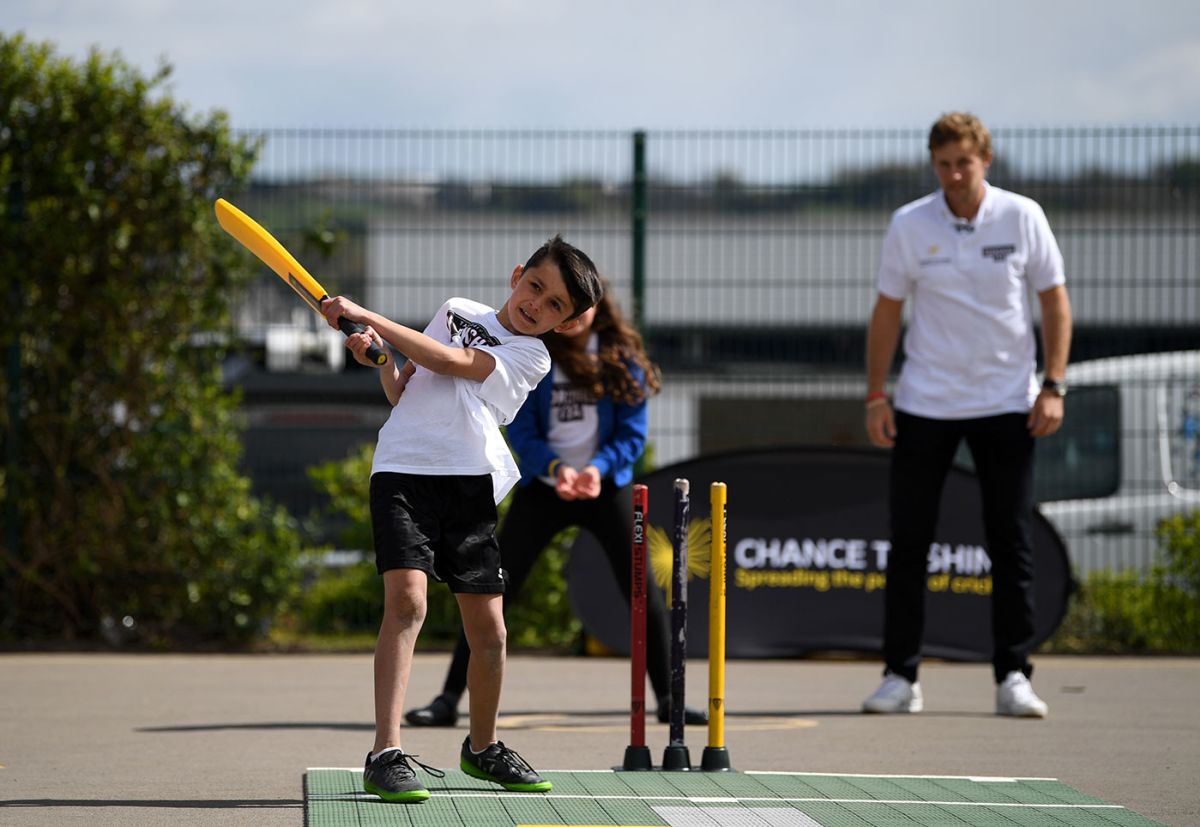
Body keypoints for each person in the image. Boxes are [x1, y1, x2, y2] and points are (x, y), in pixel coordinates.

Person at [322, 235, 603, 803]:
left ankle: (483, 748)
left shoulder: (532, 357)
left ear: (565, 322)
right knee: (407, 602)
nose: (538, 306)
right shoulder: (454, 310)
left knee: (491, 635)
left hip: (469, 486)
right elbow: (408, 391)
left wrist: (362, 313)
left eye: (556, 307)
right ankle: (385, 752)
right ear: (517, 273)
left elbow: (451, 361)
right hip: (402, 471)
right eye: (536, 288)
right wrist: (379, 355)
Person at [405, 289, 708, 729]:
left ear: (595, 310)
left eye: (579, 305)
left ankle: (669, 699)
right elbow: (521, 429)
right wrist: (555, 468)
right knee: (491, 589)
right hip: (545, 488)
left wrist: (596, 470)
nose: (570, 315)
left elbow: (631, 436)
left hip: (604, 489)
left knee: (643, 591)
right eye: (560, 305)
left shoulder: (621, 361)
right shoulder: (532, 354)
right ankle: (448, 700)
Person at [861, 112, 1072, 718]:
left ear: (986, 160)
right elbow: (886, 311)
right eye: (944, 164)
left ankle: (1013, 675)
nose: (954, 174)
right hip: (925, 401)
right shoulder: (909, 223)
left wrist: (1052, 385)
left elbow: (1054, 301)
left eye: (964, 163)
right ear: (934, 165)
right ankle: (900, 675)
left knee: (1010, 541)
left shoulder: (1022, 216)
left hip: (1008, 400)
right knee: (909, 542)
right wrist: (878, 395)